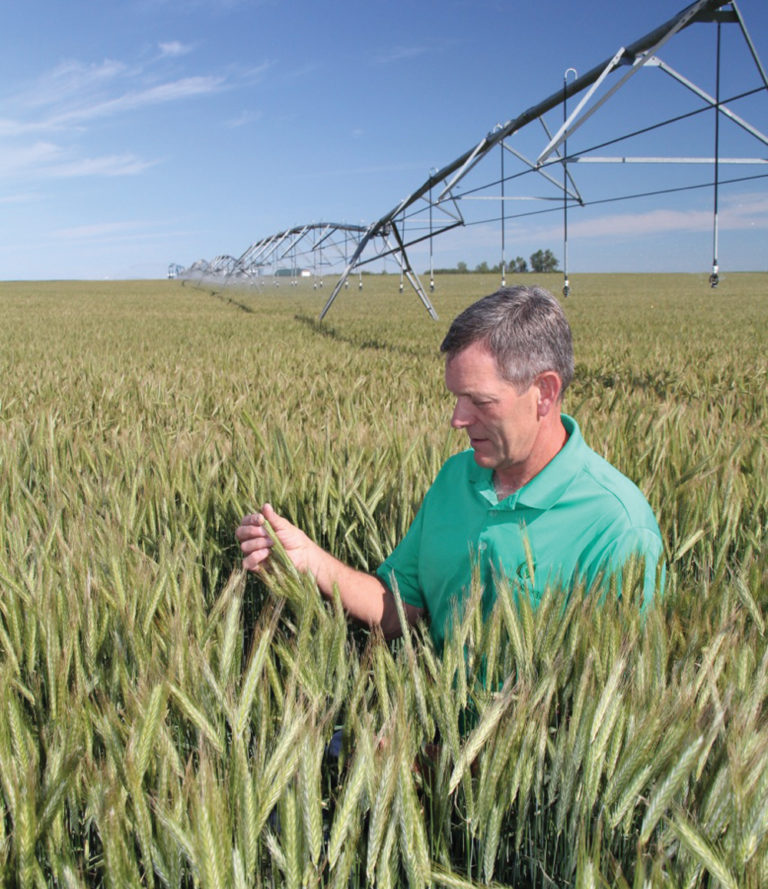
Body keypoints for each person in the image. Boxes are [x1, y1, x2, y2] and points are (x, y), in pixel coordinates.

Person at [236, 285, 664, 649]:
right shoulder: (455, 478)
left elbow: (615, 696)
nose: (457, 420)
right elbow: (399, 606)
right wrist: (310, 560)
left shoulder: (618, 529)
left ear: (545, 392)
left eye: (480, 401)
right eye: (455, 398)